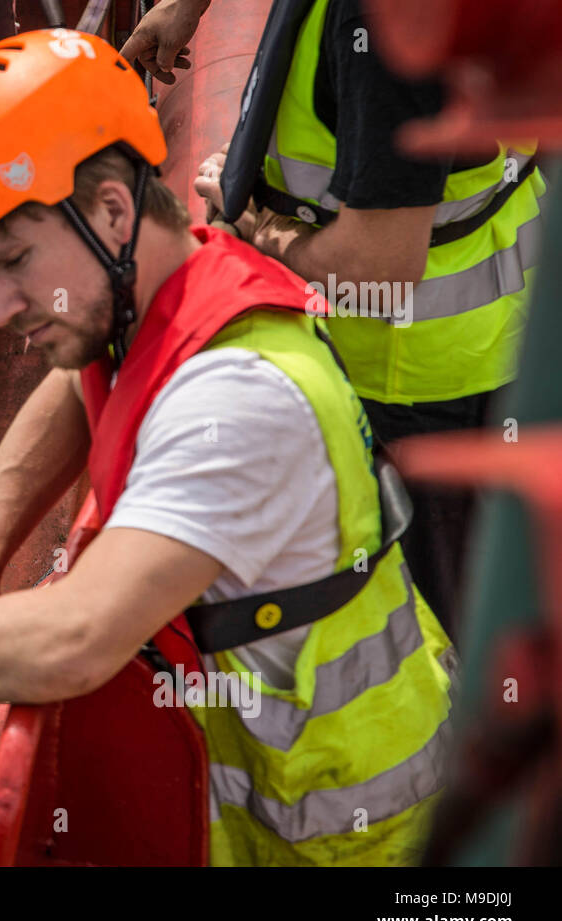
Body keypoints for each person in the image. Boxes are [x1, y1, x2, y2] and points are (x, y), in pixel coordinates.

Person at [0, 29, 456, 865]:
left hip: (359, 833)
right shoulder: (171, 284)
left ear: (110, 210)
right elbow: (78, 380)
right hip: (256, 795)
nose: (0, 311)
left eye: (15, 261)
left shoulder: (239, 396)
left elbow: (80, 635)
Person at [190, 0, 546, 638]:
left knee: (442, 631)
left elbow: (376, 269)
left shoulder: (383, 33)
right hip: (498, 340)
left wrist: (257, 225)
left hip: (414, 384)